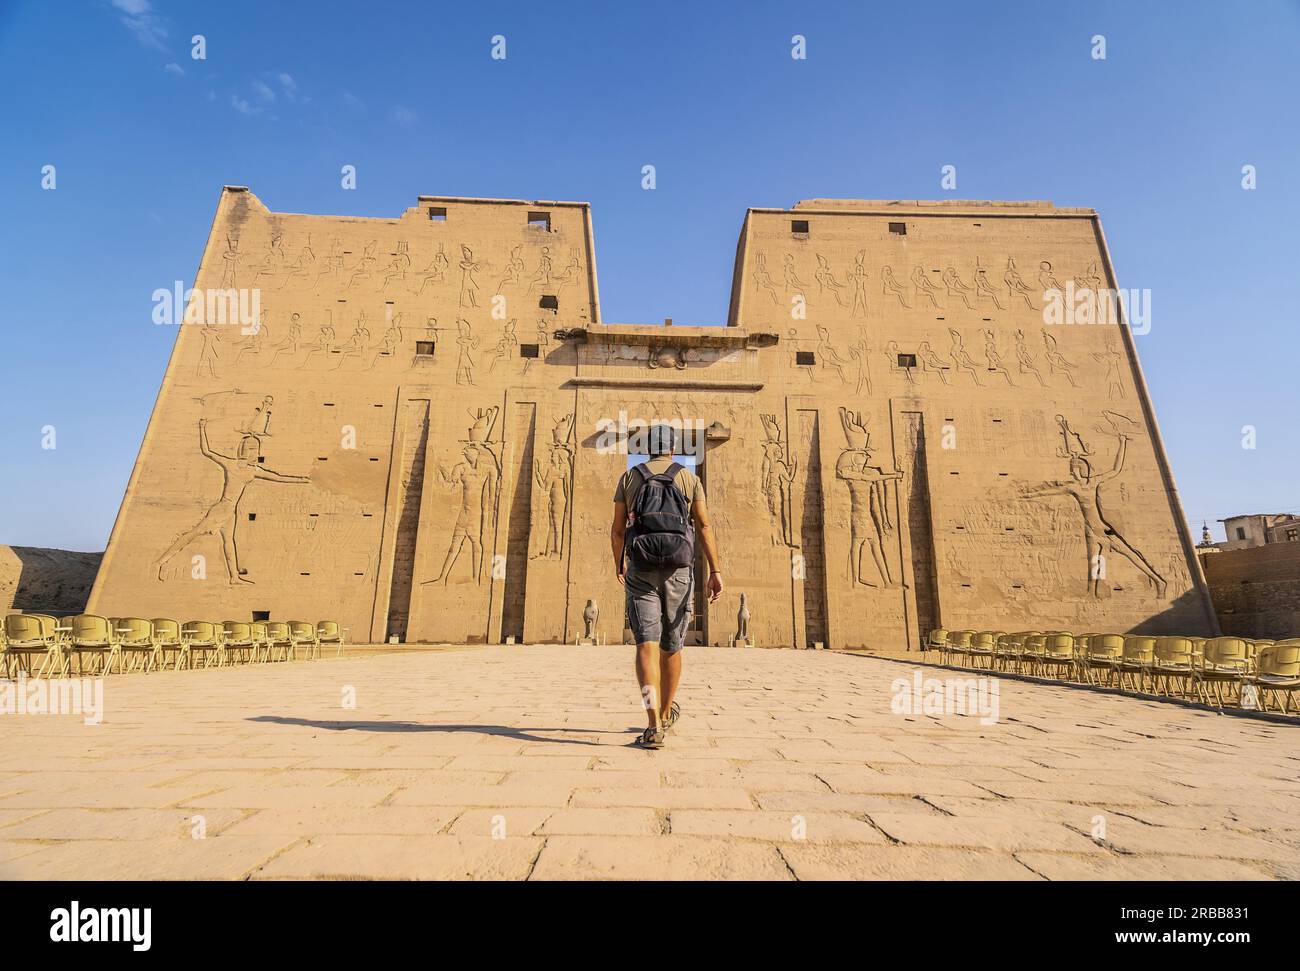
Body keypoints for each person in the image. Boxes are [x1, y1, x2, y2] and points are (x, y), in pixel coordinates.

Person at [611, 424, 722, 749]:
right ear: (673, 449)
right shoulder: (688, 478)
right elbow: (703, 525)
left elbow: (617, 530)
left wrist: (620, 563)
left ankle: (652, 724)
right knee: (671, 645)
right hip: (678, 569)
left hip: (641, 567)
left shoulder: (631, 478)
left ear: (647, 448)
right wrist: (715, 570)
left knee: (645, 643)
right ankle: (665, 713)